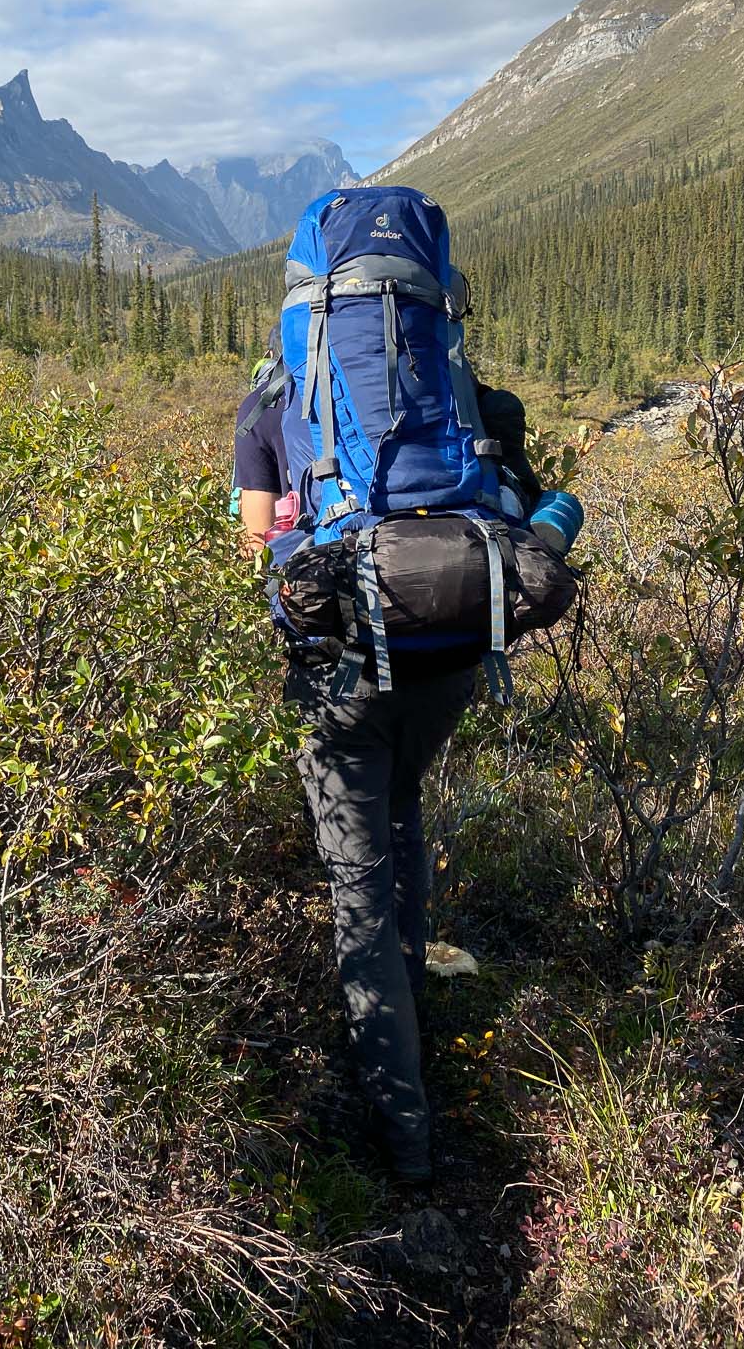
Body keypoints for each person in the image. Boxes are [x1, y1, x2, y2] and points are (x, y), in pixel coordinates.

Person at [235, 340, 537, 1187]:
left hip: (342, 674)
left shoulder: (271, 402)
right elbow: (519, 500)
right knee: (403, 812)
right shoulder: (464, 392)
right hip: (450, 661)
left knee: (357, 888)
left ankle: (404, 1137)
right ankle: (413, 1007)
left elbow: (260, 533)